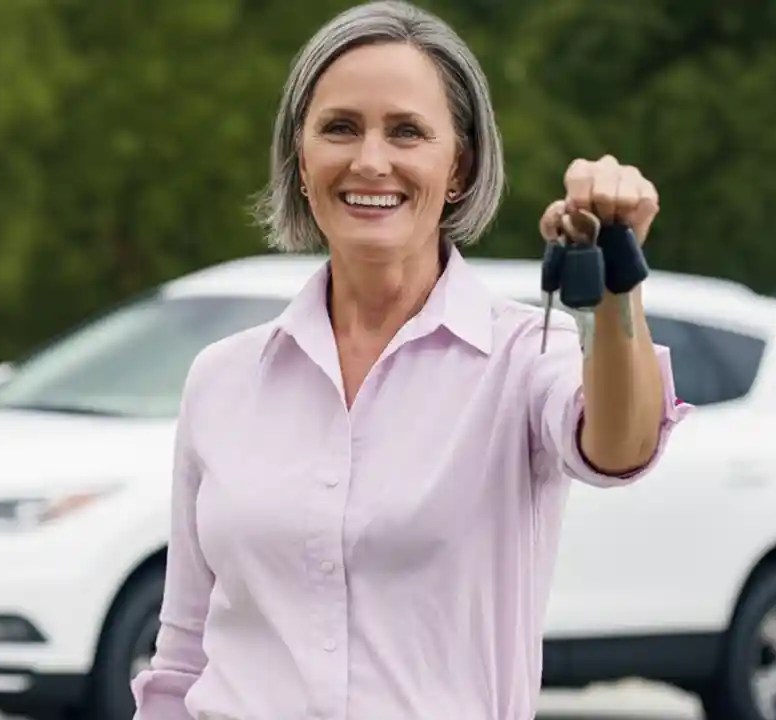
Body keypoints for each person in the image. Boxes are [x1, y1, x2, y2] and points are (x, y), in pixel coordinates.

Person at [130, 2, 690, 718]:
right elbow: (182, 659)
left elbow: (622, 446)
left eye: (407, 132)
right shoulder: (222, 379)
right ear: (301, 160)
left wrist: (618, 281)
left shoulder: (524, 357)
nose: (370, 160)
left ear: (458, 165)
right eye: (339, 128)